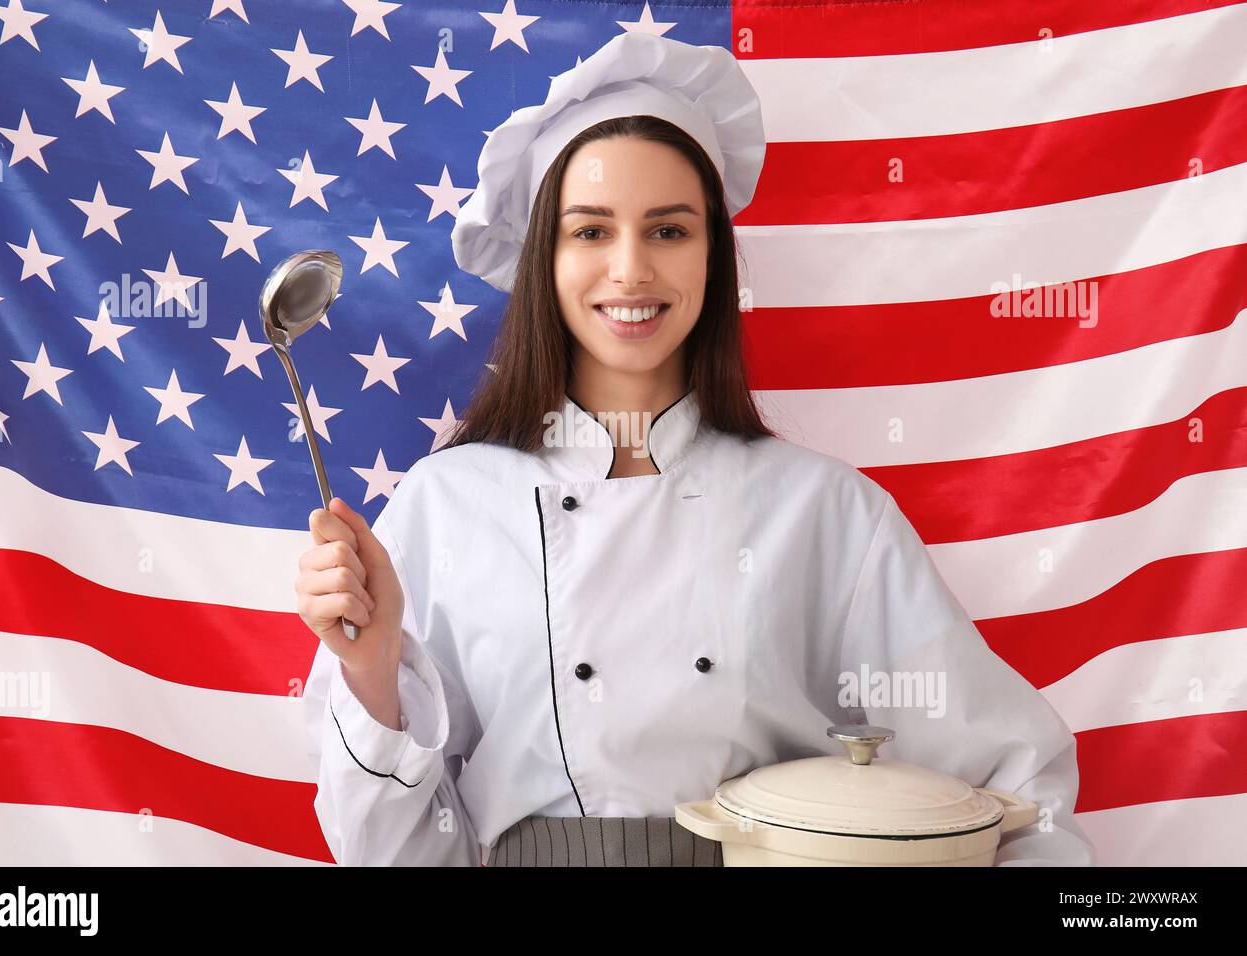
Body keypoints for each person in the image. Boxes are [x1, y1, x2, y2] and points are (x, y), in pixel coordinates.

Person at [296, 32, 1096, 867]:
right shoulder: (445, 504)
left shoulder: (823, 510)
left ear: (713, 254)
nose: (632, 270)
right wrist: (376, 673)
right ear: (545, 259)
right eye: (592, 231)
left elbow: (1018, 783)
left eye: (669, 230)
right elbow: (387, 851)